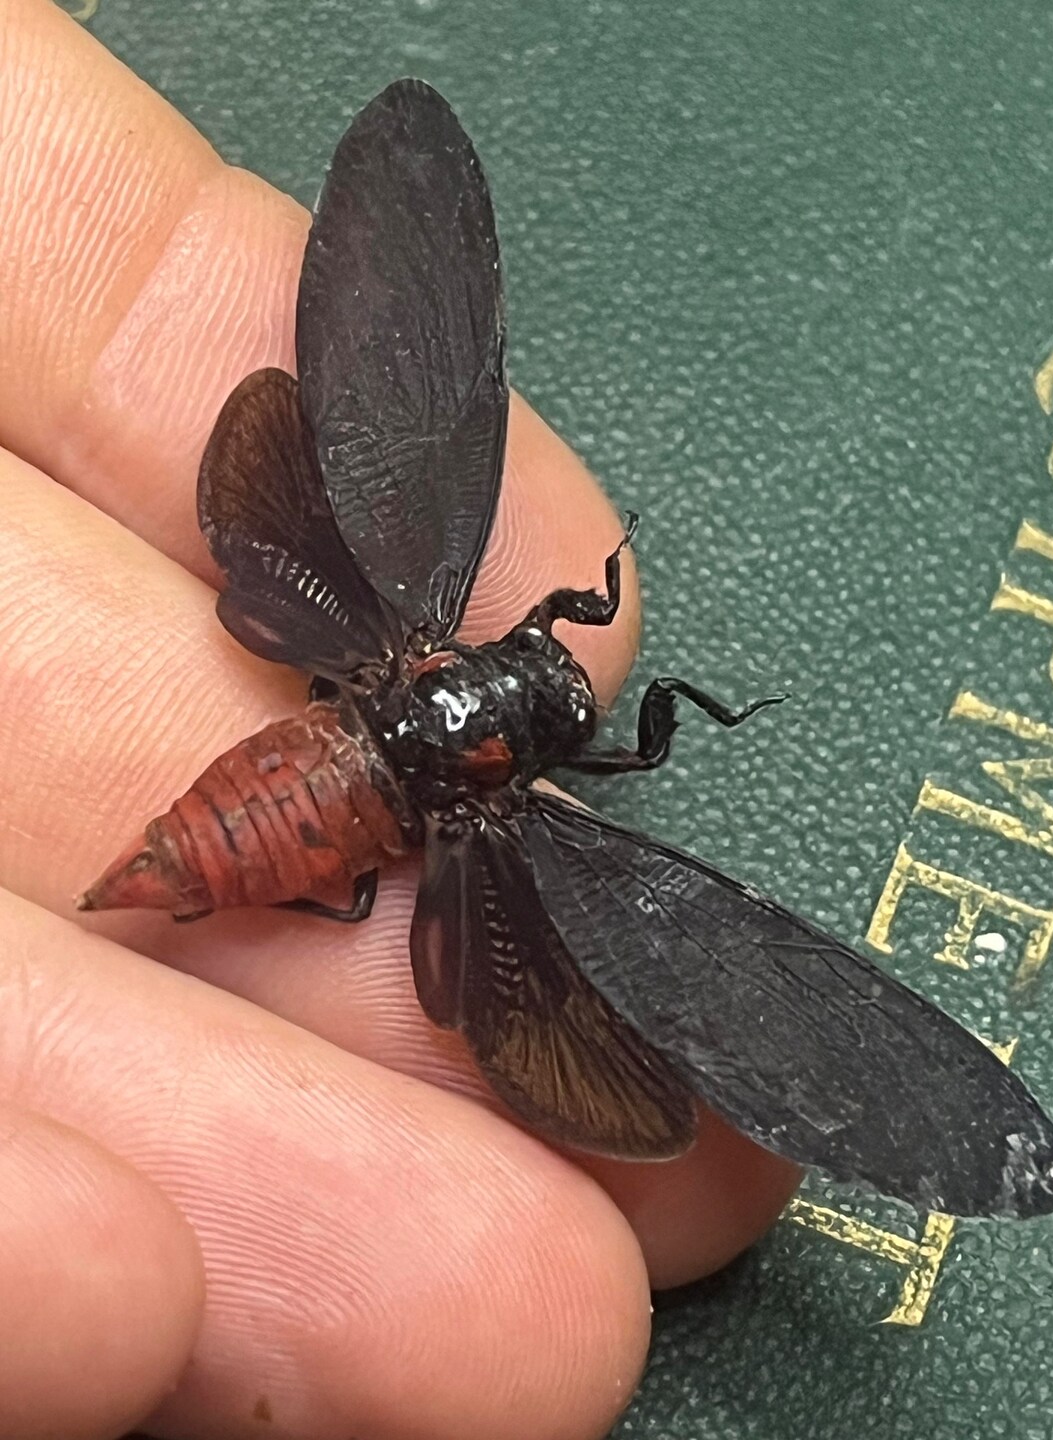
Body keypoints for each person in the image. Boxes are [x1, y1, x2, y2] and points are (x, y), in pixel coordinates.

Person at [0, 2, 798, 1436]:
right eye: (556, 643)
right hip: (323, 794)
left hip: (333, 726)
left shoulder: (417, 633)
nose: (558, 658)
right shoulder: (505, 808)